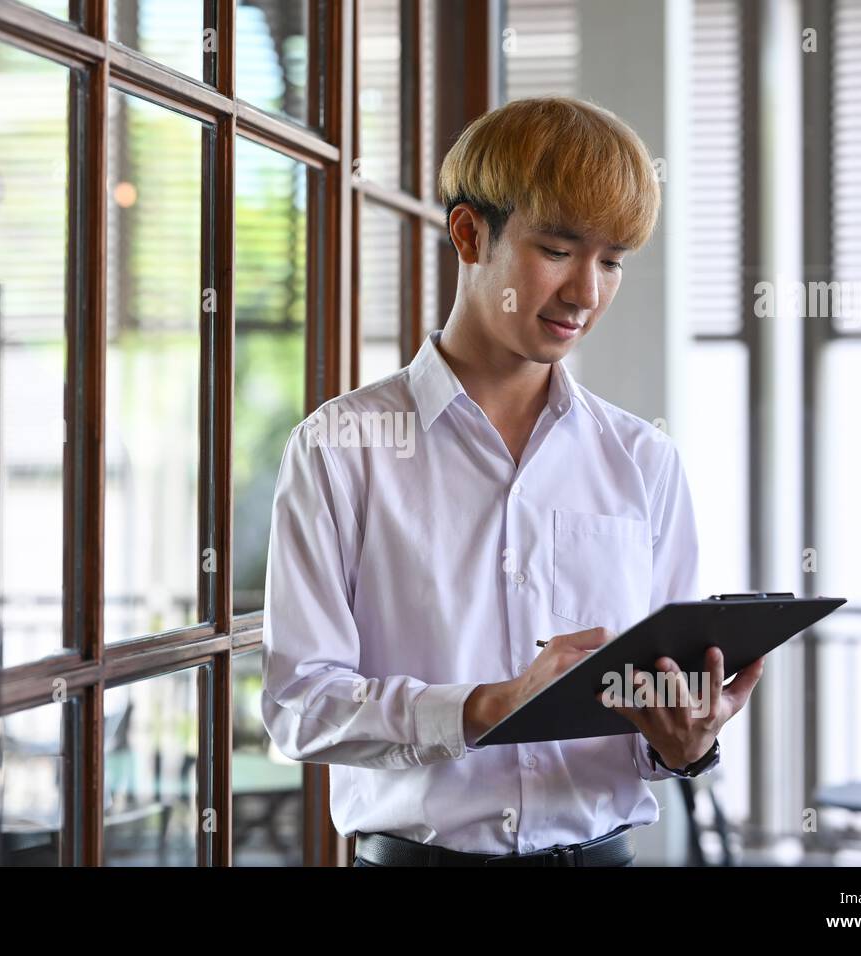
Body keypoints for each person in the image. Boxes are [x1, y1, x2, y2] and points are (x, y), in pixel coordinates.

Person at [260, 96, 764, 867]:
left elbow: (661, 729)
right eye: (558, 250)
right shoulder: (342, 447)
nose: (586, 293)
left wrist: (687, 740)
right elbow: (301, 707)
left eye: (613, 261)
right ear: (469, 234)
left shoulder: (644, 460)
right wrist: (489, 707)